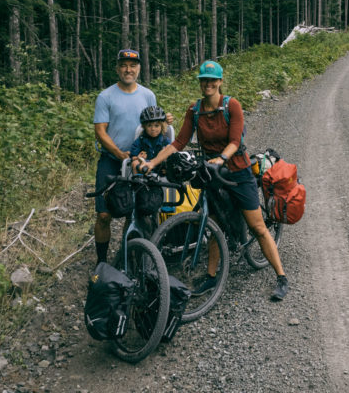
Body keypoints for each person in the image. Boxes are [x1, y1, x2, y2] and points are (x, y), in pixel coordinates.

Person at [141, 60, 289, 301]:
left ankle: (281, 277)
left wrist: (221, 159)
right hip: (211, 173)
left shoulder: (232, 106)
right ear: (200, 83)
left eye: (212, 80)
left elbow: (235, 142)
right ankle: (211, 277)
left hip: (237, 171)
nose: (208, 84)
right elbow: (178, 143)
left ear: (220, 82)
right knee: (212, 224)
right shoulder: (194, 110)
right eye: (204, 80)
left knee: (258, 227)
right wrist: (152, 163)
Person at [92, 49, 171, 264]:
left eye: (133, 65)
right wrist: (119, 153)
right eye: (124, 65)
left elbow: (155, 123)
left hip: (142, 162)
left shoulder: (147, 95)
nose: (129, 69)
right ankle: (101, 262)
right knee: (104, 214)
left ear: (139, 69)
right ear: (117, 68)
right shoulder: (105, 96)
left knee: (140, 209)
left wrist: (167, 121)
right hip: (112, 160)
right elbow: (100, 131)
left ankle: (138, 258)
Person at [130, 105, 173, 173]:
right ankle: (137, 182)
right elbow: (132, 157)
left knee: (169, 153)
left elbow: (171, 153)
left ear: (162, 126)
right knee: (135, 163)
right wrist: (139, 157)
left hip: (161, 168)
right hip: (144, 168)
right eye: (149, 126)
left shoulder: (165, 140)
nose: (153, 129)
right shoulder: (140, 140)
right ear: (144, 127)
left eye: (156, 126)